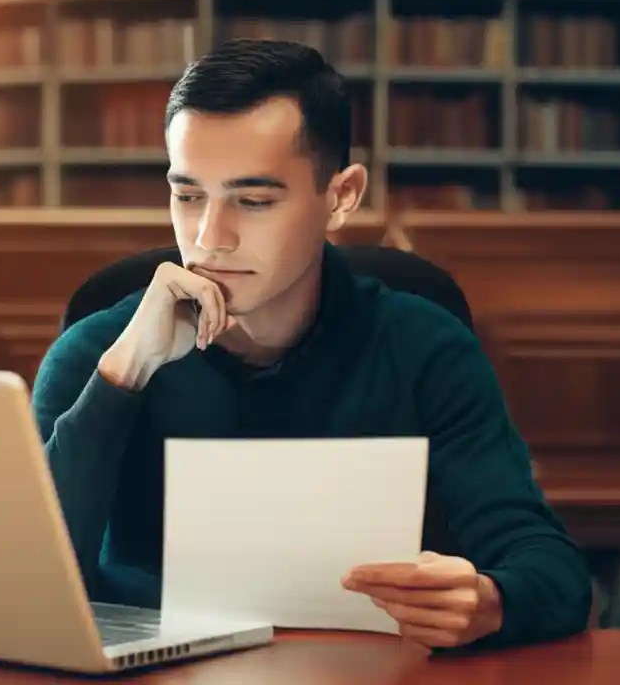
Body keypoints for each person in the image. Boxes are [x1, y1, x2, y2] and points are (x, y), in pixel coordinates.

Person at [32, 38, 591, 651]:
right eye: (188, 196)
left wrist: (492, 602)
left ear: (341, 197)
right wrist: (123, 376)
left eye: (254, 200)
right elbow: (25, 587)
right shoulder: (99, 353)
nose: (210, 238)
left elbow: (553, 571)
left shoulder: (424, 347)